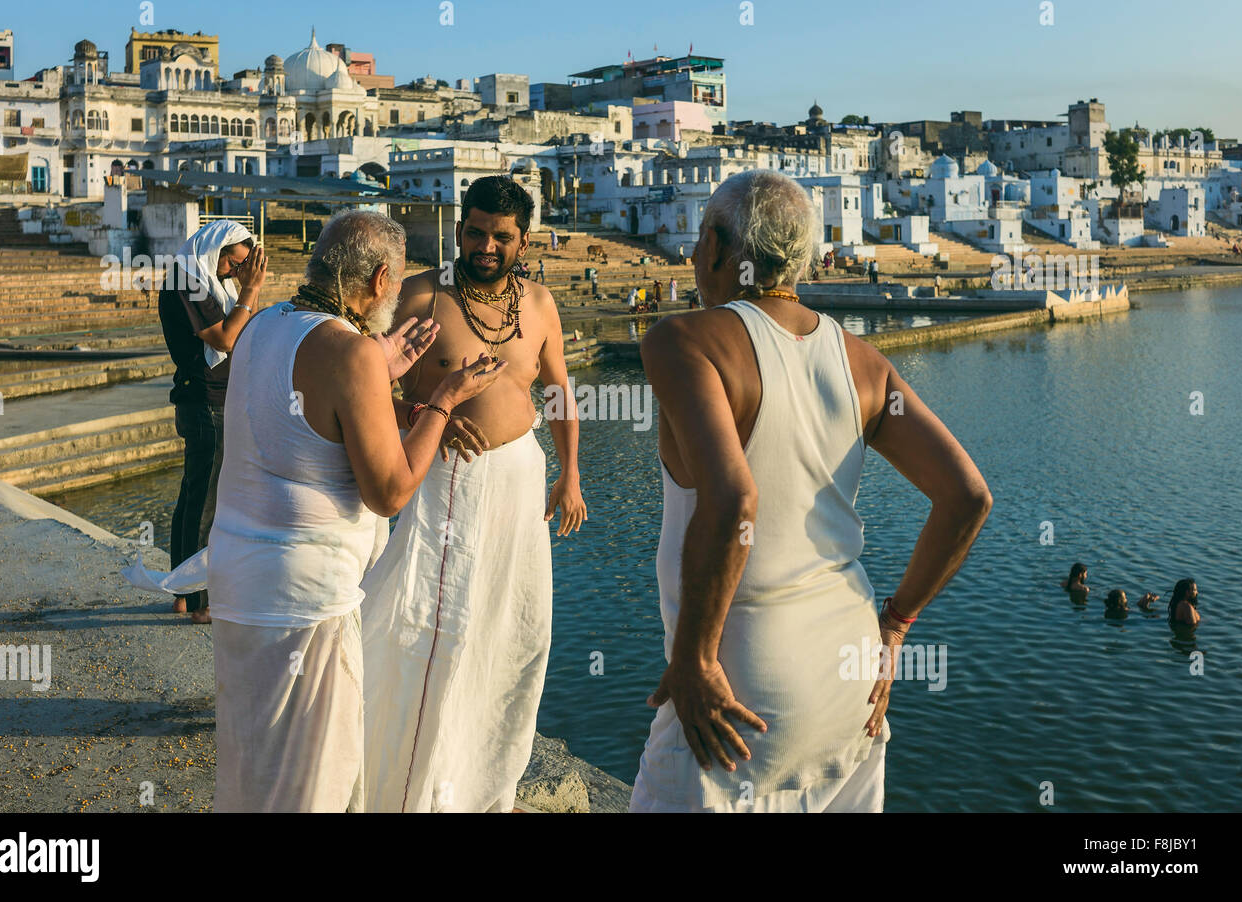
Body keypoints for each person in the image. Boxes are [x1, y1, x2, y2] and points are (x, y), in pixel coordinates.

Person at [630, 170, 991, 813]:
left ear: (714, 244)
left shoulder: (683, 342)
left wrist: (694, 657)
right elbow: (967, 496)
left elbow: (735, 500)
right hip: (851, 674)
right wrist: (897, 626)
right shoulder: (863, 364)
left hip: (744, 679)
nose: (691, 256)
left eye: (698, 240)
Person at [207, 209, 505, 811]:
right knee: (312, 779)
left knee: (251, 760)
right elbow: (389, 492)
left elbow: (303, 418)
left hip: (237, 578)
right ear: (377, 281)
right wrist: (443, 399)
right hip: (304, 597)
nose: (395, 297)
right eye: (394, 286)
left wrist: (379, 371)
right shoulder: (351, 352)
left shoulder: (264, 324)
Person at [361, 175, 588, 812]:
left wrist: (568, 473)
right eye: (476, 232)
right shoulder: (421, 296)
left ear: (524, 239)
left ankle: (487, 777)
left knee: (515, 624)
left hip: (519, 479)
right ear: (460, 230)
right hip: (445, 479)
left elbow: (560, 393)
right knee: (435, 624)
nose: (486, 245)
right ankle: (411, 771)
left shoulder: (540, 305)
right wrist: (419, 413)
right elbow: (365, 383)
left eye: (501, 236)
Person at [157, 220, 265, 623]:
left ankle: (183, 593)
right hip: (205, 401)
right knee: (205, 503)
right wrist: (250, 291)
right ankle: (201, 602)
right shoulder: (189, 279)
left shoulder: (200, 279)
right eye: (233, 264)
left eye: (239, 268)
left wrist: (245, 289)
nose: (234, 274)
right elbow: (224, 338)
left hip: (208, 398)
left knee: (193, 496)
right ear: (214, 248)